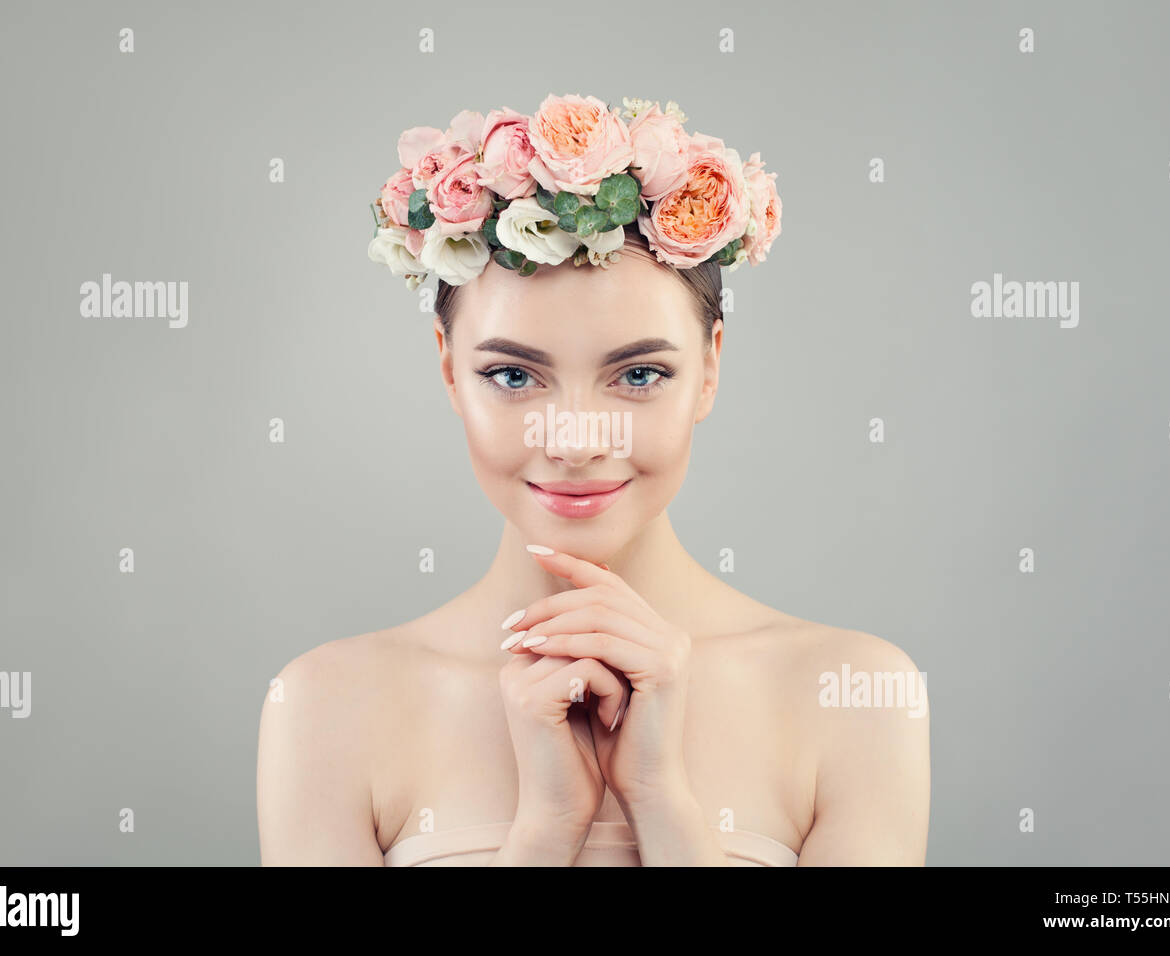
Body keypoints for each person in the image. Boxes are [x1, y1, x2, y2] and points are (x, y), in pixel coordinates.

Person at [257, 94, 929, 865]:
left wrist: (661, 801)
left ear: (709, 369)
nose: (575, 440)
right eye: (513, 375)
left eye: (638, 374)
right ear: (448, 370)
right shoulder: (327, 705)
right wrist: (545, 829)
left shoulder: (853, 695)